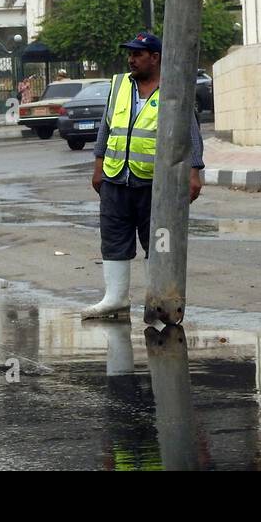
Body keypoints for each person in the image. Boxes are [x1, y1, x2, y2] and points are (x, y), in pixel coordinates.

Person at [83, 32, 205, 318]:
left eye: (137, 54)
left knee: (158, 242)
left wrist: (194, 171)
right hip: (116, 178)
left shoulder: (174, 89)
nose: (131, 59)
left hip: (155, 182)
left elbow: (191, 131)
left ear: (155, 57)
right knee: (113, 239)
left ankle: (158, 301)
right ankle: (115, 298)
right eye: (130, 54)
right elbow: (106, 126)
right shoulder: (120, 86)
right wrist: (98, 165)